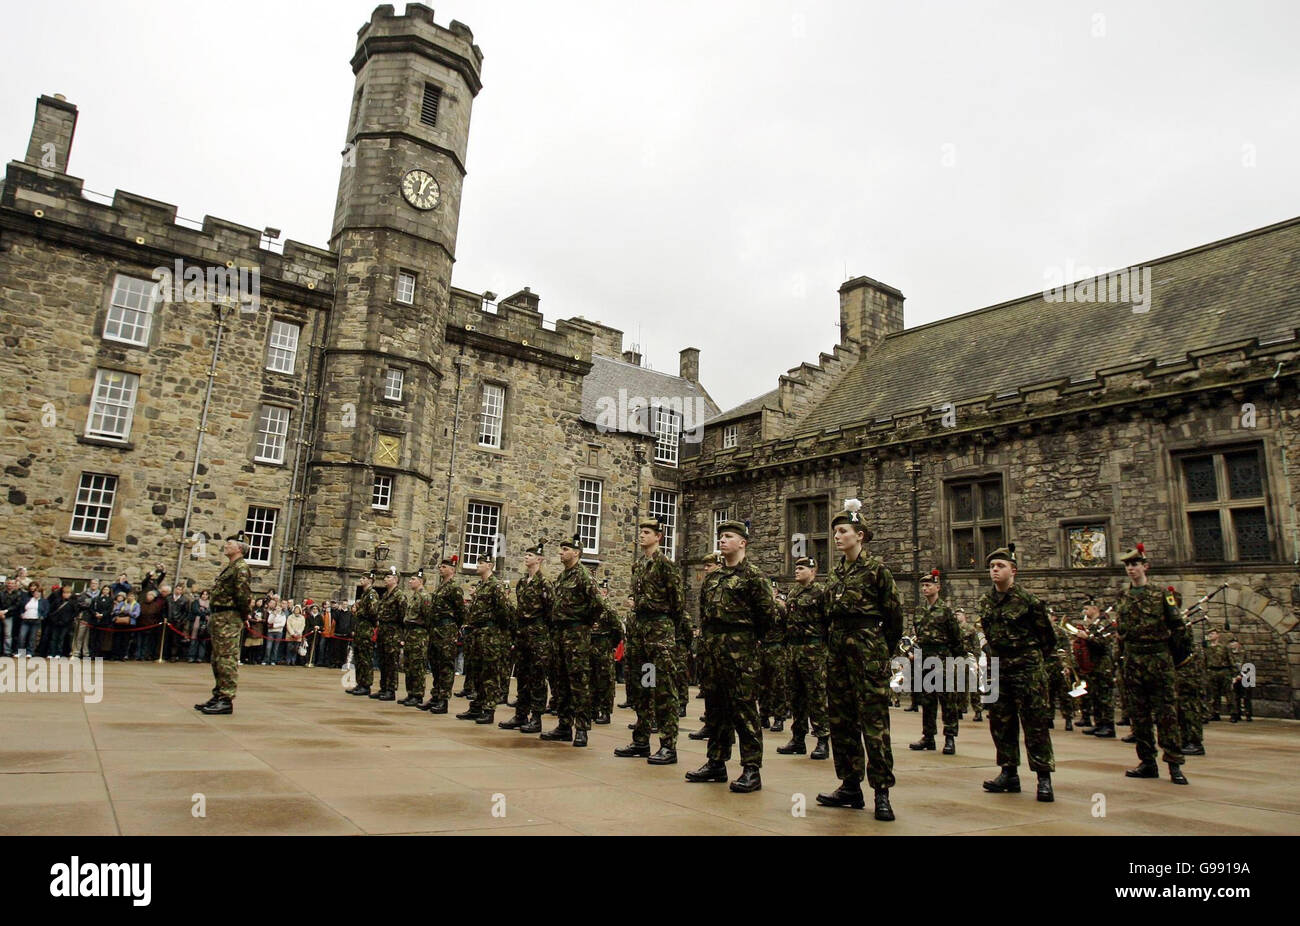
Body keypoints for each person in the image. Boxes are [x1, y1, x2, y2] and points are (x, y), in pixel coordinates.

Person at [814, 500, 902, 820]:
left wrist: (880, 651)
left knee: (874, 725)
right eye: (835, 531)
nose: (836, 536)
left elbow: (894, 618)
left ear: (859, 535)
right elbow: (826, 617)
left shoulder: (877, 571)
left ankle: (881, 791)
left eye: (842, 531)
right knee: (842, 722)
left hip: (868, 655)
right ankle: (850, 785)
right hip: (838, 655)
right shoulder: (835, 574)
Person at [687, 519, 774, 793]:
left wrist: (749, 646)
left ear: (742, 543)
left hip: (741, 654)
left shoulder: (754, 577)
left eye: (728, 536)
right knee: (715, 710)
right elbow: (706, 615)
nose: (722, 540)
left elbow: (767, 618)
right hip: (714, 653)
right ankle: (716, 762)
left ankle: (751, 768)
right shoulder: (713, 577)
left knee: (744, 710)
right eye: (720, 536)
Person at [977, 543, 1056, 802]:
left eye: (1000, 566)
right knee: (1001, 723)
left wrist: (1031, 660)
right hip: (1000, 668)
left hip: (1027, 668)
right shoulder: (986, 602)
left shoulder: (1029, 601)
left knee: (1035, 723)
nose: (995, 571)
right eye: (991, 567)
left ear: (1014, 570)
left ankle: (1043, 777)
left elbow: (1047, 638)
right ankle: (1008, 772)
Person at [1115, 543, 1188, 784]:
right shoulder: (1123, 597)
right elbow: (1121, 633)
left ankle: (1174, 763)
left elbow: (1178, 628)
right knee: (1140, 716)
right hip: (1134, 661)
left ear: (1145, 566)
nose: (1131, 569)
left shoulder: (1161, 594)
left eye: (1135, 564)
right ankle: (1147, 761)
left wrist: (1172, 657)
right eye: (1127, 565)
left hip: (1158, 659)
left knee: (1167, 713)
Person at [616, 518, 684, 764]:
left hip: (659, 631)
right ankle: (641, 740)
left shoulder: (666, 565)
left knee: (664, 688)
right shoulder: (639, 565)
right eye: (641, 531)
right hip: (641, 632)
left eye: (647, 532)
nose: (642, 535)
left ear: (659, 536)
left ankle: (668, 745)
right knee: (643, 686)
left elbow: (678, 602)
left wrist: (665, 626)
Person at [541, 535, 599, 746]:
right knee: (561, 681)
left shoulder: (584, 575)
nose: (561, 552)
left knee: (578, 682)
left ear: (576, 552)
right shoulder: (563, 577)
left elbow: (598, 603)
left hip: (576, 635)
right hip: (559, 635)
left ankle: (582, 728)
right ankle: (564, 725)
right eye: (560, 549)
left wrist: (585, 623)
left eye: (565, 549)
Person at [778, 556, 830, 759]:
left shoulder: (821, 592)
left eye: (801, 568)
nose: (797, 571)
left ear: (813, 571)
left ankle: (822, 739)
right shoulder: (793, 593)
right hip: (794, 649)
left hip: (813, 650)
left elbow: (828, 622)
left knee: (816, 696)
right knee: (796, 697)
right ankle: (798, 739)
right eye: (796, 568)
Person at [195, 533, 252, 715]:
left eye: (230, 543)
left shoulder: (241, 568)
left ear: (239, 548)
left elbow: (243, 597)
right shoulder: (232, 567)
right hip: (220, 616)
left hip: (229, 617)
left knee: (227, 658)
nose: (226, 545)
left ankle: (226, 699)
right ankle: (219, 694)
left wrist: (242, 616)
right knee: (217, 658)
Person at [909, 568, 963, 755]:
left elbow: (956, 637)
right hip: (925, 657)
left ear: (937, 587)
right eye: (923, 585)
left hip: (943, 657)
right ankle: (928, 736)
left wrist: (956, 660)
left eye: (928, 585)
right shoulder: (919, 611)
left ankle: (949, 737)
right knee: (927, 699)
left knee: (947, 699)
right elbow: (917, 634)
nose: (925, 588)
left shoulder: (946, 610)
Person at [457, 556, 514, 725]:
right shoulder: (481, 586)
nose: (477, 565)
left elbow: (504, 611)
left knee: (490, 673)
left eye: (481, 563)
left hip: (490, 634)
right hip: (477, 633)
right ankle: (477, 706)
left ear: (489, 565)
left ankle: (489, 709)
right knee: (477, 672)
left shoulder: (495, 585)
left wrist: (496, 630)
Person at [502, 543, 552, 731]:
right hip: (522, 635)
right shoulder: (523, 583)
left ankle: (536, 717)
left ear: (539, 559)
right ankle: (520, 714)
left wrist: (543, 633)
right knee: (522, 675)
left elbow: (550, 610)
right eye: (526, 554)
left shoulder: (544, 583)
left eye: (530, 555)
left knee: (537, 677)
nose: (526, 557)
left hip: (538, 635)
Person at [687, 552, 723, 742]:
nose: (706, 569)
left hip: (725, 644)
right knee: (709, 687)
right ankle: (710, 724)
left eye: (709, 566)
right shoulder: (707, 586)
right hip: (709, 642)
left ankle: (723, 728)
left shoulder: (725, 581)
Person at [422, 557, 465, 714]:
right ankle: (435, 695)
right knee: (435, 664)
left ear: (452, 570)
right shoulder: (440, 587)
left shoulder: (454, 588)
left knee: (446, 665)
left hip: (447, 629)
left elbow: (461, 612)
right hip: (436, 629)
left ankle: (443, 699)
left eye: (444, 566)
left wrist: (453, 628)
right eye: (440, 566)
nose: (441, 568)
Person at [590, 578, 624, 725]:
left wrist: (611, 644)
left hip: (604, 646)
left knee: (605, 681)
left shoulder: (609, 609)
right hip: (591, 646)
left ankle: (605, 711)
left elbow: (618, 629)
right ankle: (592, 709)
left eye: (602, 591)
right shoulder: (590, 608)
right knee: (591, 680)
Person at [759, 580, 789, 733]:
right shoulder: (760, 608)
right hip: (762, 648)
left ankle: (779, 717)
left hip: (777, 649)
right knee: (762, 685)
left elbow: (786, 628)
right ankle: (763, 715)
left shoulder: (780, 608)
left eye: (772, 589)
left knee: (779, 684)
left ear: (776, 592)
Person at [371, 567, 405, 701]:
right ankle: (383, 687)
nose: (385, 579)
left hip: (393, 632)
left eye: (388, 577)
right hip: (383, 631)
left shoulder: (399, 595)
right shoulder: (385, 595)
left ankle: (391, 690)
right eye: (385, 577)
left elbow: (403, 616)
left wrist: (401, 636)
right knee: (382, 661)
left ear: (396, 579)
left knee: (391, 662)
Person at [399, 570, 432, 704]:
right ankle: (410, 692)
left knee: (417, 665)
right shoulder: (413, 596)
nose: (410, 581)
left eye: (413, 579)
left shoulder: (425, 596)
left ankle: (417, 694)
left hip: (419, 634)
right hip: (410, 633)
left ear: (420, 581)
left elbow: (428, 617)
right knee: (409, 665)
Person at [346, 573, 379, 696]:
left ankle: (366, 685)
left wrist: (359, 611)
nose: (361, 580)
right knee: (359, 658)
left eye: (364, 578)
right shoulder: (364, 594)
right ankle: (360, 683)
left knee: (365, 658)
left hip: (366, 630)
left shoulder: (371, 594)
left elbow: (373, 611)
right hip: (360, 630)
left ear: (370, 580)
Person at [956, 609, 984, 721]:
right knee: (959, 685)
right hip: (958, 658)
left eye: (958, 614)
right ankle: (960, 708)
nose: (956, 616)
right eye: (956, 615)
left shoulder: (970, 629)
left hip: (969, 657)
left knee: (973, 685)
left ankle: (978, 711)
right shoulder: (954, 630)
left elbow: (976, 646)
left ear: (964, 616)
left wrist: (976, 660)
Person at [1205, 629, 1233, 721]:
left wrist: (1234, 674)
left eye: (1212, 633)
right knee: (1214, 694)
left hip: (1224, 671)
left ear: (1218, 635)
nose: (1210, 635)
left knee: (1228, 693)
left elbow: (1230, 659)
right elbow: (1205, 661)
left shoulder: (1224, 647)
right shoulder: (1207, 648)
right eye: (1209, 634)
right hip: (1212, 671)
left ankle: (1233, 713)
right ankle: (1215, 712)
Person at [70, 579, 100, 658]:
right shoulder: (84, 594)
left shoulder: (99, 595)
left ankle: (86, 653)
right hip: (84, 617)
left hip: (94, 618)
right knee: (79, 636)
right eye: (92, 583)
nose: (94, 585)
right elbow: (79, 604)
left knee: (88, 637)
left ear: (98, 585)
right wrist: (88, 605)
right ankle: (76, 652)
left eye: (95, 583)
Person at [45, 586, 77, 657]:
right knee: (53, 638)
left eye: (68, 593)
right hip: (55, 623)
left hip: (65, 624)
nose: (66, 594)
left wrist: (67, 620)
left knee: (61, 639)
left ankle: (58, 653)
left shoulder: (73, 603)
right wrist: (54, 620)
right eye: (65, 593)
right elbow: (51, 611)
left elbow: (74, 613)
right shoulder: (57, 601)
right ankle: (51, 653)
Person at [1229, 640, 1252, 722]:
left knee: (1246, 696)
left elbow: (1248, 665)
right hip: (1234, 678)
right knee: (1235, 697)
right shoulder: (1229, 655)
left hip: (1245, 677)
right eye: (1231, 644)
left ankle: (1248, 714)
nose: (1233, 645)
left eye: (1235, 644)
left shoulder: (1244, 654)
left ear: (1238, 644)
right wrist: (1233, 676)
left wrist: (1241, 675)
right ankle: (1236, 714)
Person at [109, 591, 137, 661]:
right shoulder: (122, 603)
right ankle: (114, 655)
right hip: (119, 623)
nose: (130, 597)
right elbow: (116, 610)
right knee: (116, 640)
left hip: (128, 624)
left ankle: (122, 656)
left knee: (125, 641)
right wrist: (121, 611)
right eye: (129, 596)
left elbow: (136, 614)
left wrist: (129, 612)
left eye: (132, 596)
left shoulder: (136, 605)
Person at [188, 590, 211, 663]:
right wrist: (203, 614)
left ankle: (200, 657)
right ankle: (191, 656)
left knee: (203, 641)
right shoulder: (196, 602)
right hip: (196, 622)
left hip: (205, 623)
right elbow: (195, 610)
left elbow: (210, 611)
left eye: (206, 594)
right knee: (194, 640)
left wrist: (205, 613)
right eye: (203, 594)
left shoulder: (209, 604)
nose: (204, 596)